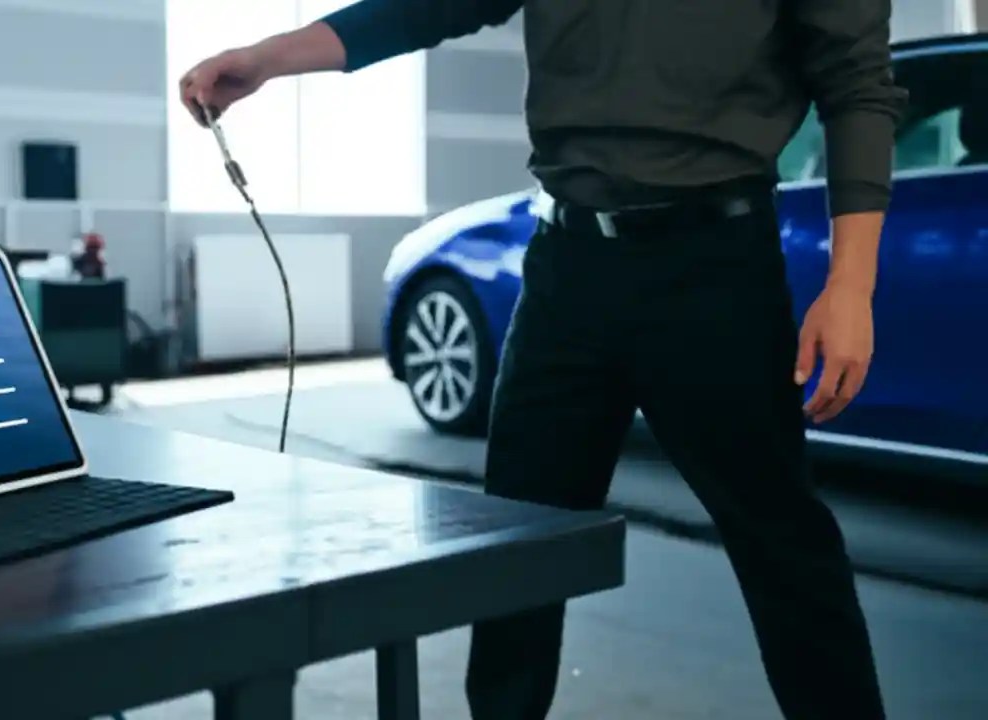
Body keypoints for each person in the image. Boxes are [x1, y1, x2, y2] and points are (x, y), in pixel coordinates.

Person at [179, 1, 906, 718]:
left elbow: (857, 84)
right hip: (568, 269)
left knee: (784, 549)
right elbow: (423, 8)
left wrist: (851, 283)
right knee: (514, 551)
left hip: (715, 269)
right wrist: (268, 59)